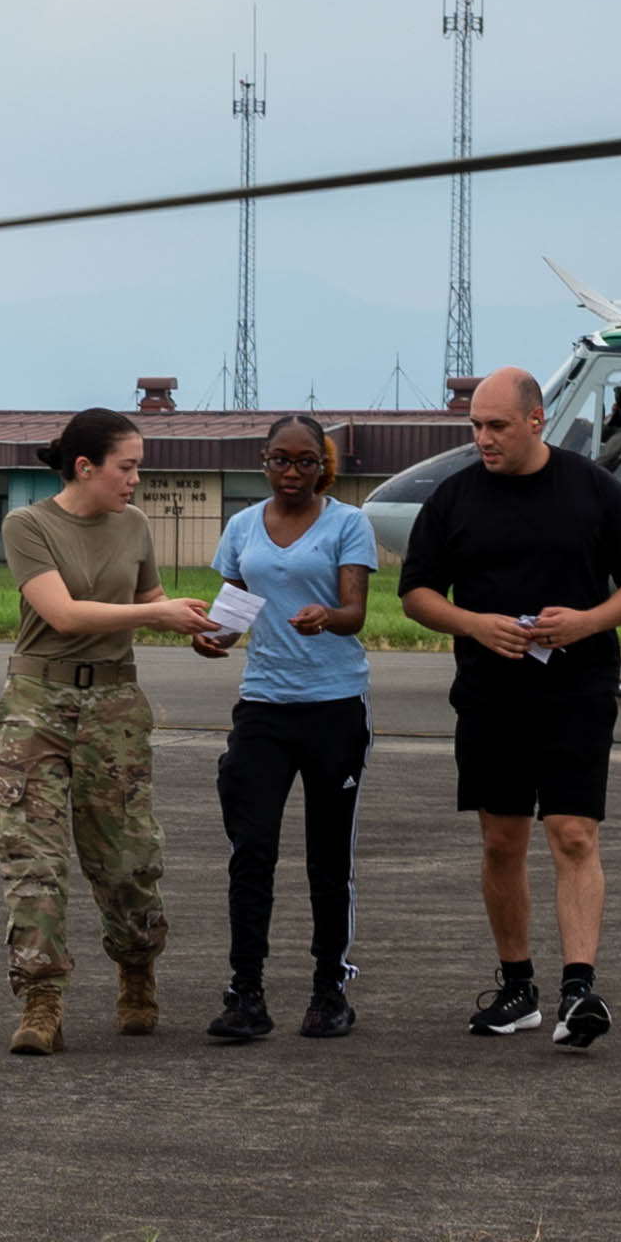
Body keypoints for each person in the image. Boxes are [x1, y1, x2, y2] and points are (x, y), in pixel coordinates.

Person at [394, 367, 621, 1051]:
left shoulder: (592, 487)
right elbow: (417, 592)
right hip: (490, 690)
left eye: (497, 427)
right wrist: (474, 624)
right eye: (476, 427)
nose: (483, 438)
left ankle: (580, 991)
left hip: (576, 687)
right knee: (501, 838)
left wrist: (586, 621)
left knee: (573, 831)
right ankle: (518, 986)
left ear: (536, 420)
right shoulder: (454, 497)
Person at [0, 407, 208, 1053]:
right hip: (38, 703)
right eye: (128, 466)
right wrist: (158, 613)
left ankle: (136, 967)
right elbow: (62, 611)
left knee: (127, 858)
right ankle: (41, 998)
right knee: (34, 856)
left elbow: (149, 600)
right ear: (85, 467)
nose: (137, 479)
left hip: (113, 704)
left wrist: (193, 627)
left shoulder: (134, 525)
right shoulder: (26, 525)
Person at [191, 413, 375, 1041]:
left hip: (333, 707)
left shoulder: (348, 523)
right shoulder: (243, 526)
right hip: (264, 706)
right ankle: (246, 992)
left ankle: (330, 989)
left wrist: (330, 615)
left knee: (328, 856)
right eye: (279, 459)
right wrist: (213, 638)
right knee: (252, 851)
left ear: (323, 465)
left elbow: (354, 612)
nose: (291, 472)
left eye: (304, 461)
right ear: (263, 461)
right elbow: (234, 608)